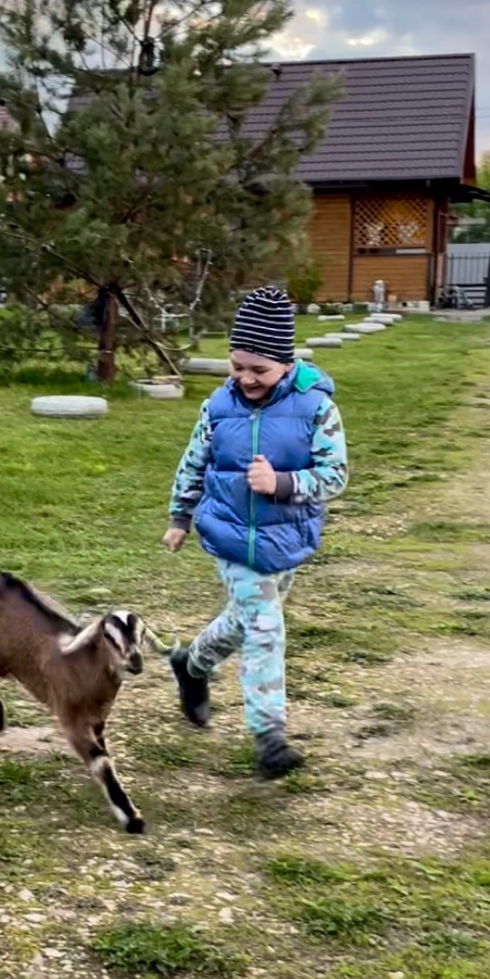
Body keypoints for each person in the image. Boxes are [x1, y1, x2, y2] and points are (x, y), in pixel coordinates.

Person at [162, 284, 348, 779]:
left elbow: (336, 476)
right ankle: (270, 738)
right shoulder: (217, 408)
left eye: (258, 370)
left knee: (244, 622)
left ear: (286, 364)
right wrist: (180, 516)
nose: (245, 378)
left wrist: (283, 482)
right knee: (266, 627)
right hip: (229, 534)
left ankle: (191, 665)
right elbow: (193, 463)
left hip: (284, 536)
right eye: (236, 366)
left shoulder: (317, 408)